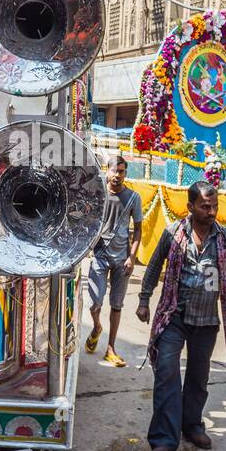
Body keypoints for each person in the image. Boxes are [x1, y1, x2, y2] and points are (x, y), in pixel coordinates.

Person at [137, 181, 226, 451]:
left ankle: (191, 425)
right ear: (190, 207)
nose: (212, 212)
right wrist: (143, 299)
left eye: (215, 206)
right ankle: (164, 439)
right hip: (173, 316)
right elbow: (153, 266)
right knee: (166, 374)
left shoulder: (225, 238)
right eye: (205, 206)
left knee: (198, 379)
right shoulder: (173, 233)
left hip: (207, 320)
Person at [85, 154, 144, 367]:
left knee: (116, 305)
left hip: (122, 260)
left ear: (125, 173)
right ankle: (97, 326)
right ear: (106, 171)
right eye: (114, 170)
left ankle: (110, 348)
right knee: (94, 302)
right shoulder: (98, 194)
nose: (117, 175)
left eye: (121, 171)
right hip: (99, 256)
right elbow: (87, 221)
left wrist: (132, 258)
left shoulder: (133, 198)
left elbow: (138, 231)